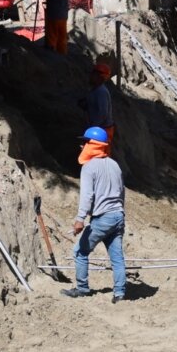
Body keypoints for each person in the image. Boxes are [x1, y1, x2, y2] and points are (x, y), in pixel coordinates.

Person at [63, 127, 127, 303]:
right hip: (118, 215)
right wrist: (120, 211)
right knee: (117, 258)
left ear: (93, 145)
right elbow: (122, 191)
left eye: (85, 142)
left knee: (80, 252)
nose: (81, 145)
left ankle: (82, 288)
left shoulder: (89, 167)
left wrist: (80, 219)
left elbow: (87, 195)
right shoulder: (114, 165)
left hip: (103, 218)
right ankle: (120, 293)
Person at [83, 63, 115, 144]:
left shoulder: (101, 92)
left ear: (100, 78)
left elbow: (103, 114)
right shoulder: (95, 90)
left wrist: (92, 128)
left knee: (97, 150)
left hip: (102, 130)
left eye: (94, 75)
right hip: (99, 129)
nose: (91, 76)